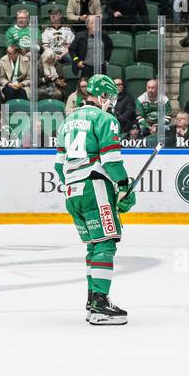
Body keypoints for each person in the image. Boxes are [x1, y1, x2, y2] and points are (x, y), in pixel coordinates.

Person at [54, 74, 135, 325]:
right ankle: (100, 303)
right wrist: (122, 185)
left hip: (72, 191)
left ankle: (92, 301)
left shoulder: (66, 122)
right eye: (109, 97)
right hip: (94, 187)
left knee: (93, 245)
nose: (111, 103)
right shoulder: (105, 119)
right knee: (106, 242)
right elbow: (111, 160)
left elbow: (59, 166)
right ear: (101, 96)